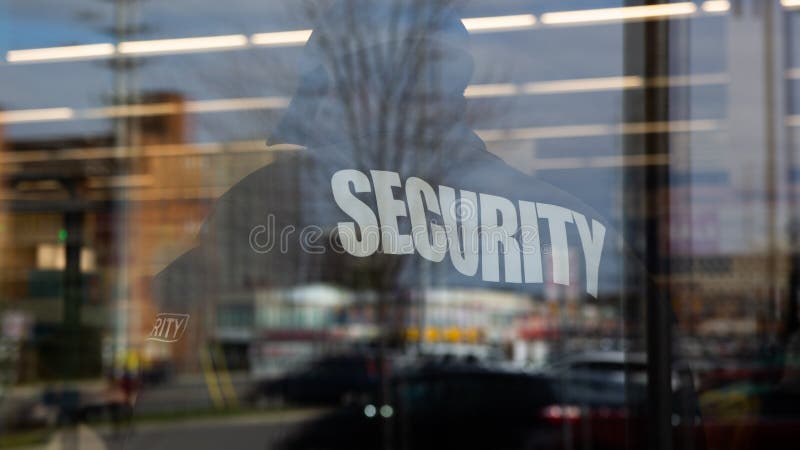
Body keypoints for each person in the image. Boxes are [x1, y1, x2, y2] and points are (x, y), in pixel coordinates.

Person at [143, 1, 703, 449]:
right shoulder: (562, 214)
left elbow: (173, 294)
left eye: (324, 92)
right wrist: (156, 364)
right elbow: (174, 293)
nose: (317, 112)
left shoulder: (554, 218)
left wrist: (158, 350)